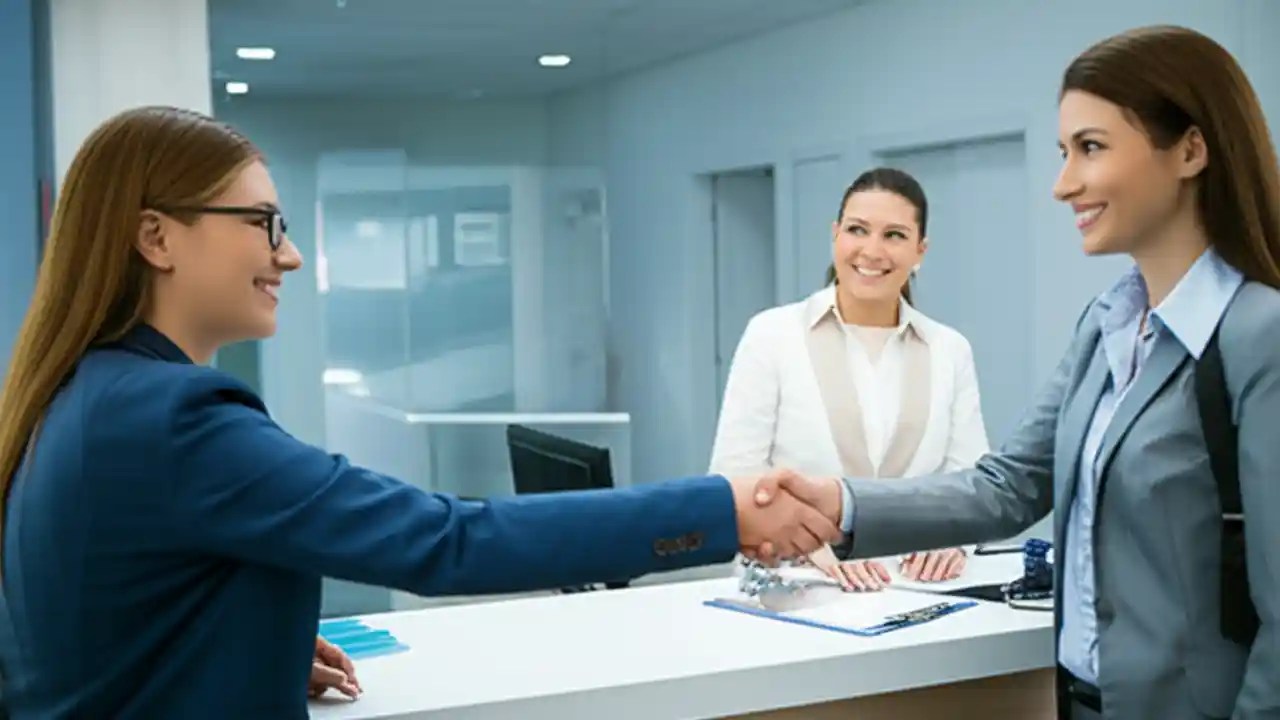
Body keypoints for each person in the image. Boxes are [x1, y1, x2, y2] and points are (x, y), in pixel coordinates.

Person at [0, 106, 842, 719]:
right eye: (264, 223)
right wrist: (720, 508)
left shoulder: (86, 391)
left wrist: (248, 649)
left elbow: (97, 623)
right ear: (157, 238)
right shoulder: (173, 416)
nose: (288, 254)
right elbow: (448, 541)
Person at [755, 24, 1280, 720]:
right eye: (1065, 152)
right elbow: (1008, 486)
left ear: (1189, 150)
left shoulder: (1258, 334)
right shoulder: (1107, 324)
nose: (1063, 184)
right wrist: (842, 504)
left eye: (1090, 149)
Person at [709, 168, 989, 590]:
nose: (872, 251)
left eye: (894, 235)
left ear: (920, 251)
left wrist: (954, 542)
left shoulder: (950, 349)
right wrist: (814, 550)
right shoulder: (772, 334)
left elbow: (972, 481)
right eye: (858, 230)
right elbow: (736, 478)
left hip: (915, 588)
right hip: (796, 584)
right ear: (835, 235)